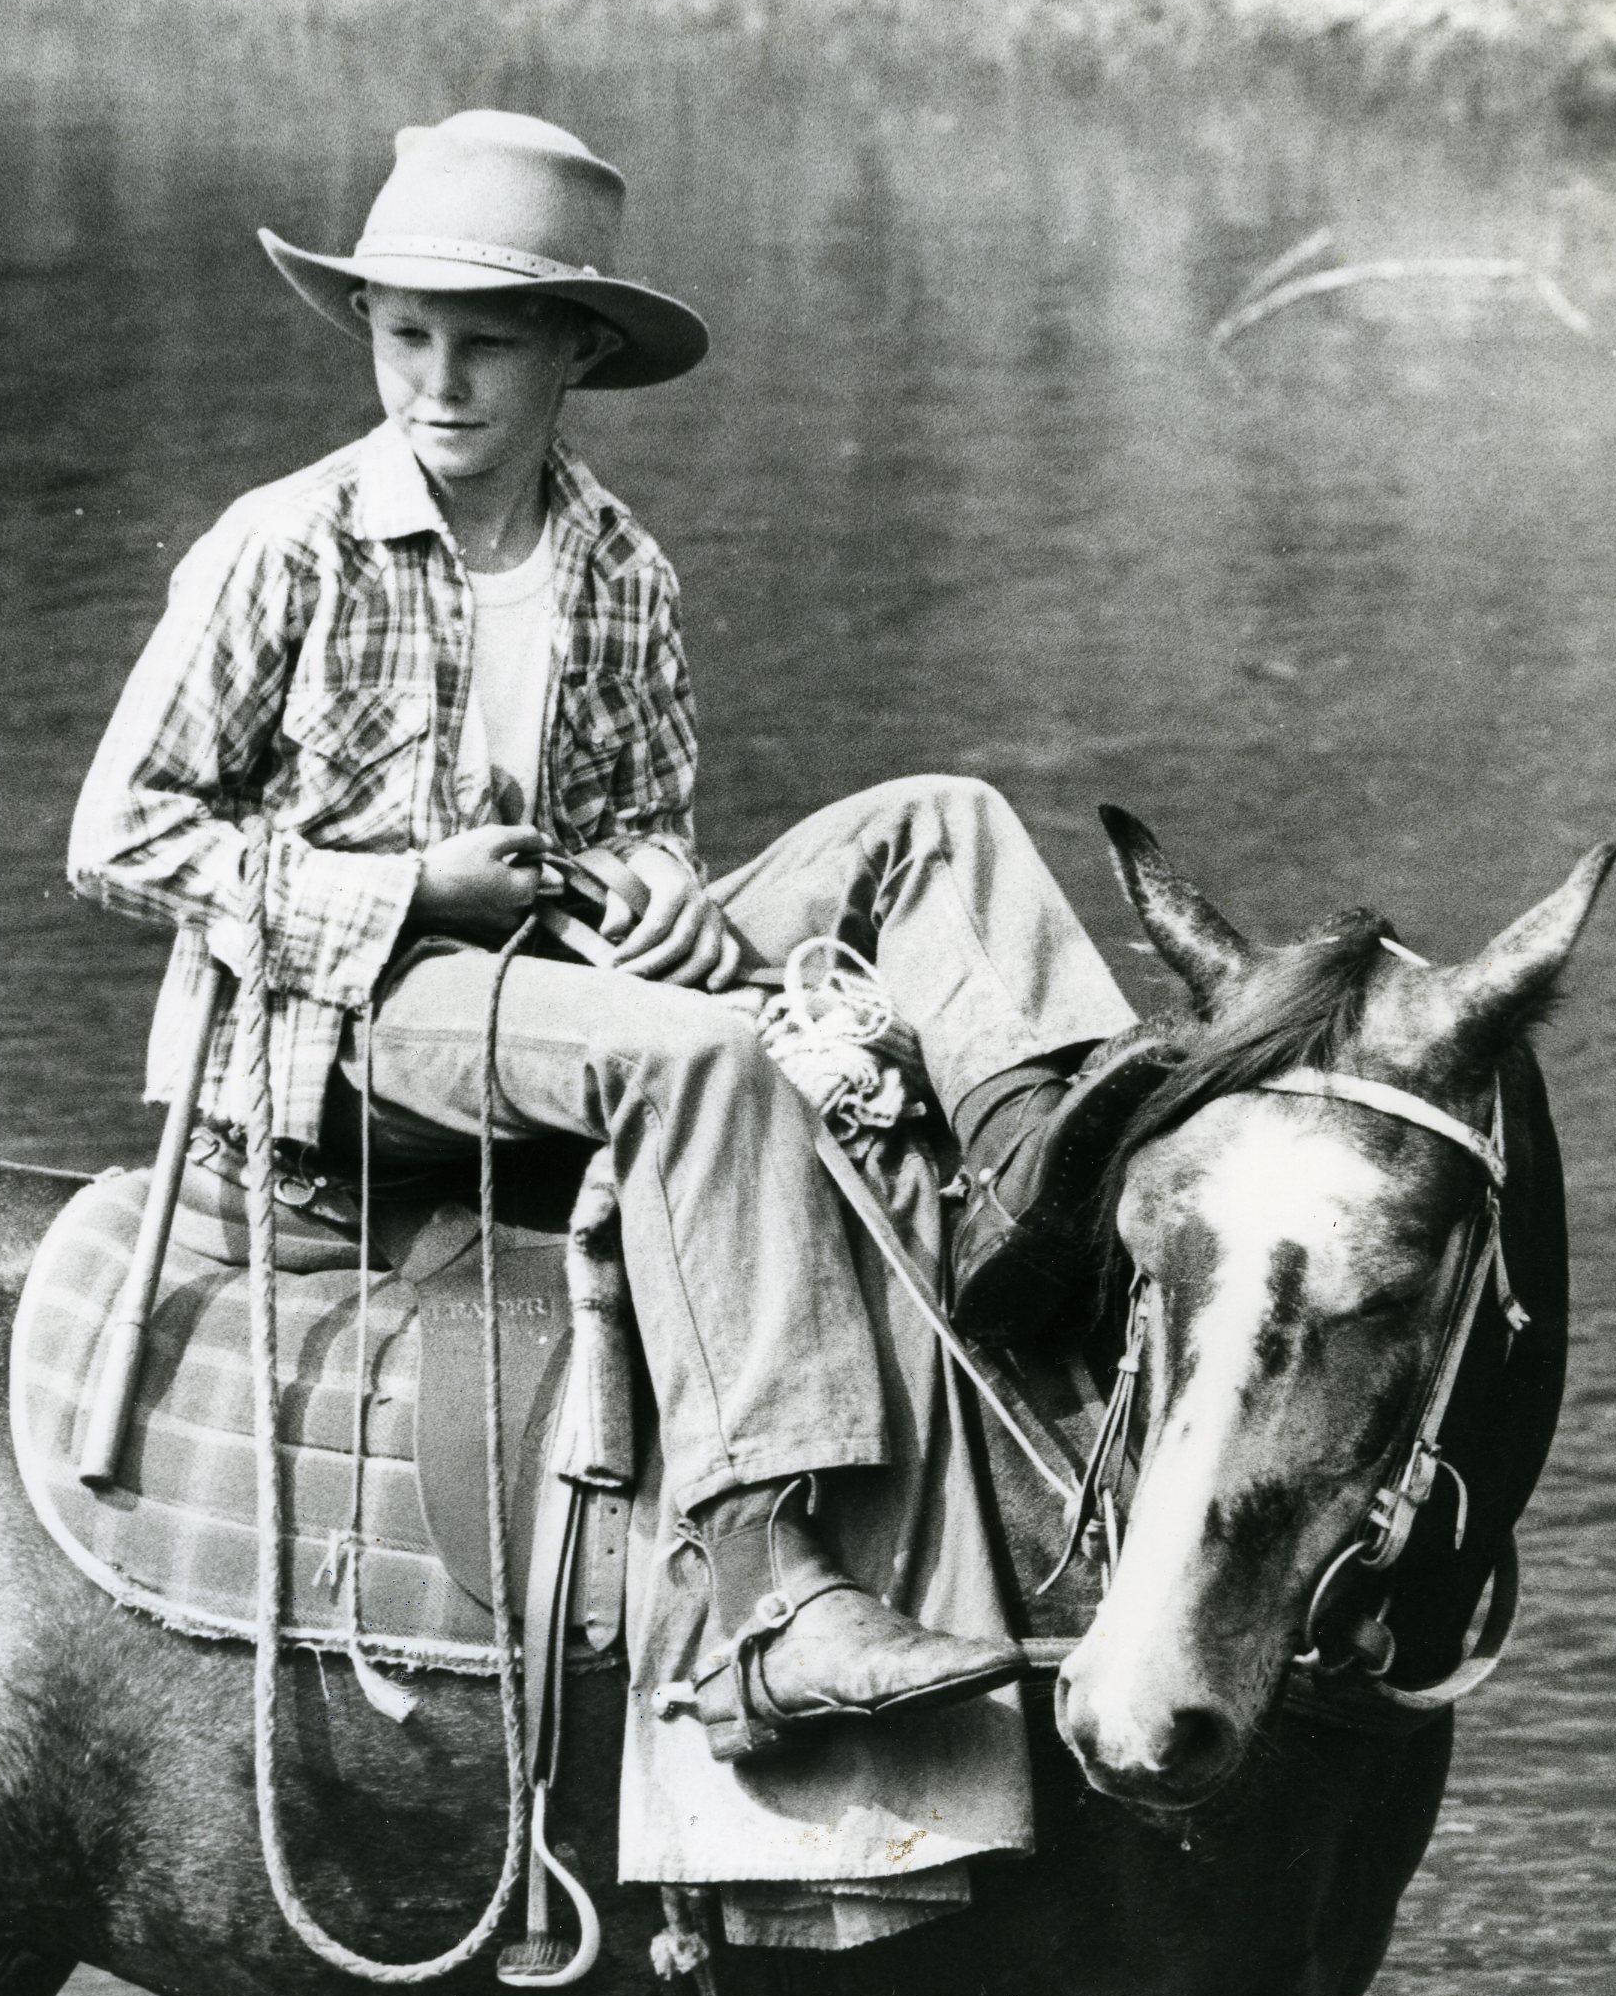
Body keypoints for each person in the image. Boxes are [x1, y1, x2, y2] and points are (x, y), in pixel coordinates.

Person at [67, 111, 1150, 1763]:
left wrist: (650, 880)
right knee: (708, 1059)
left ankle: (1041, 1199)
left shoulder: (619, 567)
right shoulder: (286, 545)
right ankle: (768, 1588)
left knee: (939, 817)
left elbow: (641, 815)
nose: (436, 381)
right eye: (404, 335)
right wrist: (409, 892)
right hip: (347, 1019)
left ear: (572, 350)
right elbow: (121, 836)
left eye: (485, 345)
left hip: (551, 979)